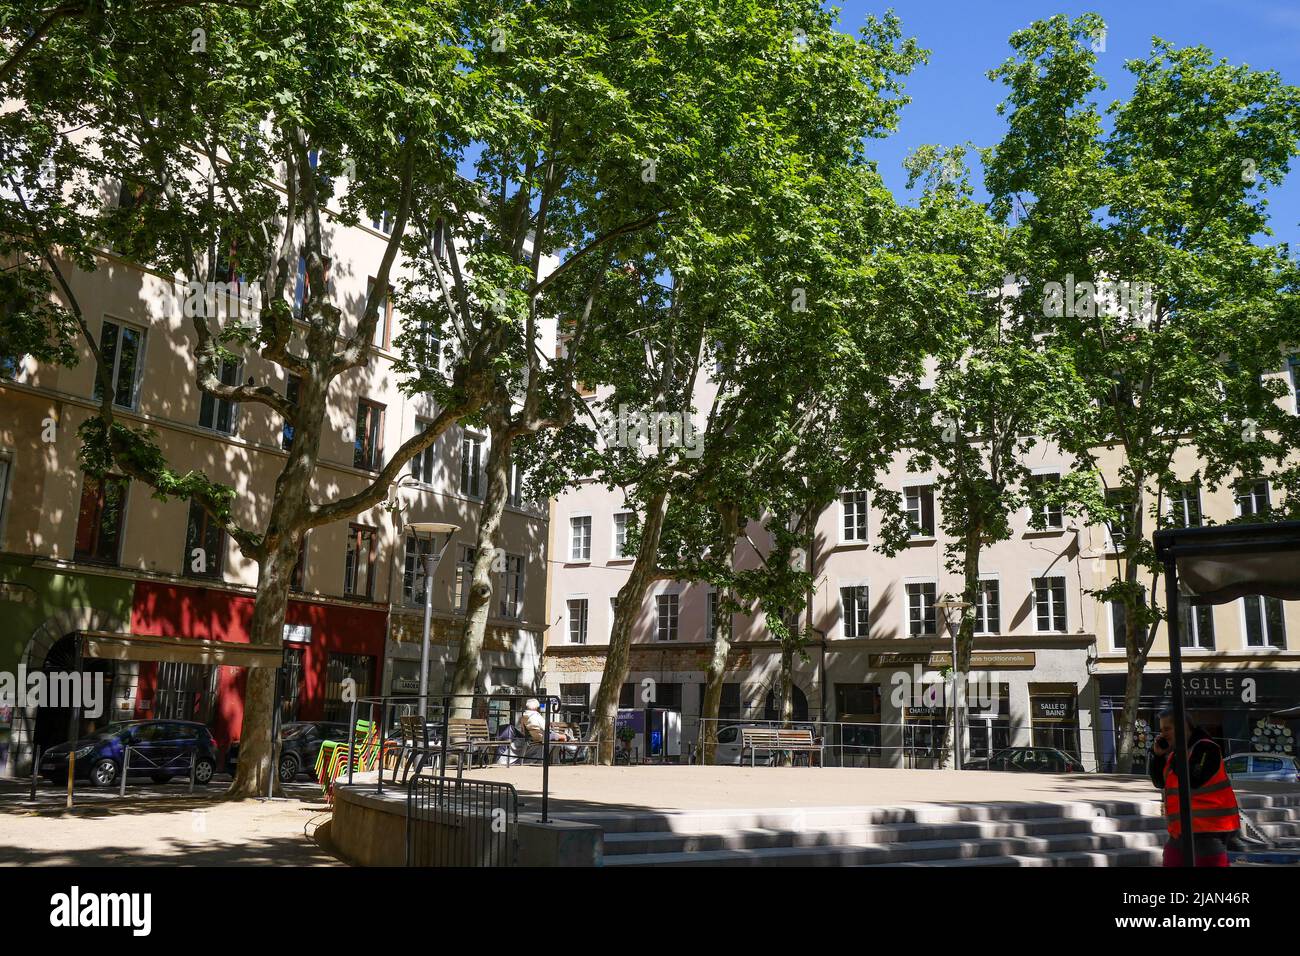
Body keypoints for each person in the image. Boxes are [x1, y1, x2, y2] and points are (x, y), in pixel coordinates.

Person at [1149, 707, 1240, 867]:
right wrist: (1158, 757)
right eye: (1161, 730)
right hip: (1180, 830)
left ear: (1183, 727)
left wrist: (1179, 750)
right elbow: (1159, 782)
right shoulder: (1176, 754)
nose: (1163, 735)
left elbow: (1193, 778)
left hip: (1208, 829)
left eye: (1167, 729)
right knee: (1171, 859)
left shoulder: (1206, 748)